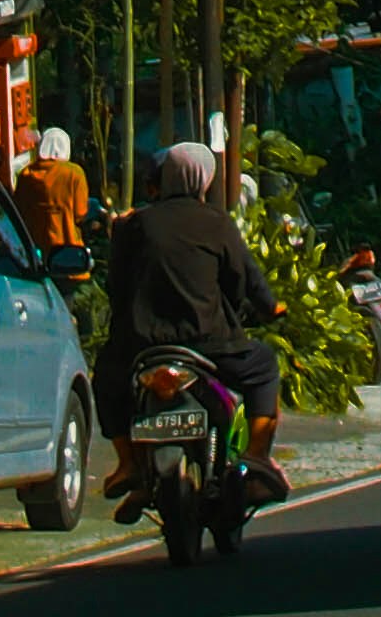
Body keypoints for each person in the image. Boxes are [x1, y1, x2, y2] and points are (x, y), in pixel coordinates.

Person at [93, 137, 287, 513]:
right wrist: (269, 308)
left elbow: (114, 286)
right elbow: (245, 280)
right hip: (210, 345)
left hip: (139, 348)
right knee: (263, 368)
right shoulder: (216, 223)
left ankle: (128, 462)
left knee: (106, 377)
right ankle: (258, 456)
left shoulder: (133, 225)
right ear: (204, 180)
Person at [15, 123, 90, 256]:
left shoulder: (26, 174)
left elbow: (18, 210)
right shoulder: (74, 173)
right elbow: (80, 213)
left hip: (33, 252)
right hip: (68, 251)